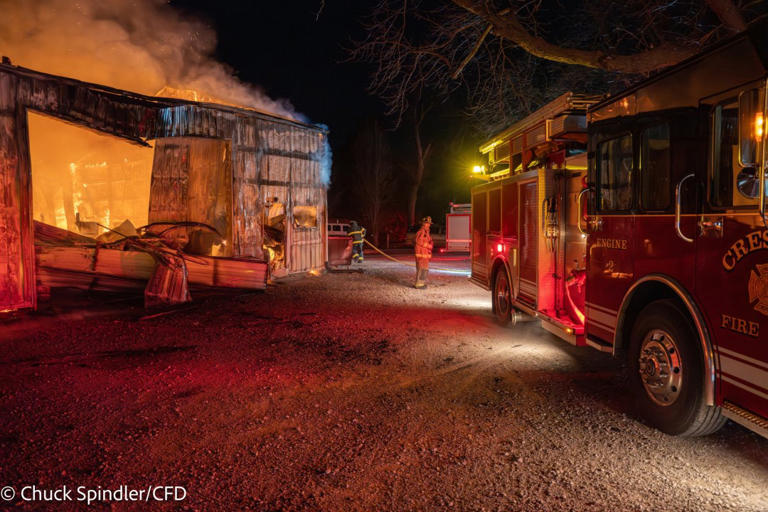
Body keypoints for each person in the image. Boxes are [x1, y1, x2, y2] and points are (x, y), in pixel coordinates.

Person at [414, 216, 433, 288]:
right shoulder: (421, 232)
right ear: (423, 224)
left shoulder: (426, 232)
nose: (429, 225)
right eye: (427, 223)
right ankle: (418, 284)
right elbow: (418, 241)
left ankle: (421, 283)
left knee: (424, 269)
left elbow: (429, 241)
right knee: (421, 269)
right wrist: (428, 246)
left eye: (429, 224)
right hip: (421, 255)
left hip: (425, 255)